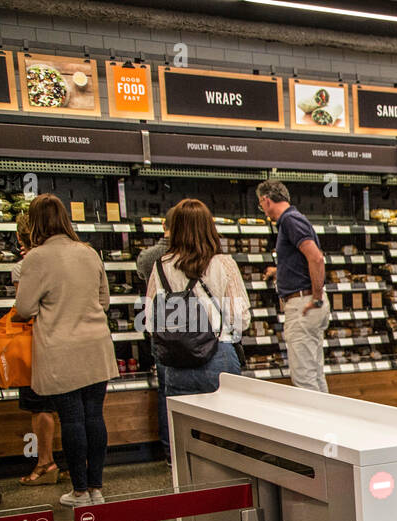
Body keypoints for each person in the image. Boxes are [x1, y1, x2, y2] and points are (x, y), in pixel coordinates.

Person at [13, 194, 118, 508]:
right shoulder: (88, 252)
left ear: (35, 223)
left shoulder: (37, 257)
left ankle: (81, 491)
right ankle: (97, 487)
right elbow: (104, 302)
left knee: (72, 420)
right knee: (94, 417)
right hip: (96, 345)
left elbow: (25, 307)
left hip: (61, 350)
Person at [143, 199, 249, 400]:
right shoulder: (224, 264)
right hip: (219, 355)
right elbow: (240, 319)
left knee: (184, 428)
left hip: (177, 363)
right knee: (225, 428)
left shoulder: (161, 266)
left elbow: (150, 321)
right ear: (209, 227)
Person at [256, 180, 327, 392]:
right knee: (314, 372)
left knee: (304, 378)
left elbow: (316, 258)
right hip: (306, 300)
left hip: (303, 302)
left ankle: (313, 425)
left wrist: (315, 298)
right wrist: (280, 271)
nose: (263, 209)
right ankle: (327, 421)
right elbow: (305, 260)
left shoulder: (289, 220)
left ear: (266, 200)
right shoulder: (294, 219)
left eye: (260, 204)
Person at [11, 211, 63, 487]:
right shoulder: (67, 257)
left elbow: (25, 309)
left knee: (39, 405)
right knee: (67, 406)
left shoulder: (25, 266)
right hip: (66, 345)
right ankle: (74, 462)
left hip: (38, 345)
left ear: (22, 236)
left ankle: (45, 463)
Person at [137, 219, 172, 461]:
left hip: (163, 332)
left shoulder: (151, 257)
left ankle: (170, 452)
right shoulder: (202, 255)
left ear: (164, 225)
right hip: (199, 334)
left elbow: (142, 277)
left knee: (167, 392)